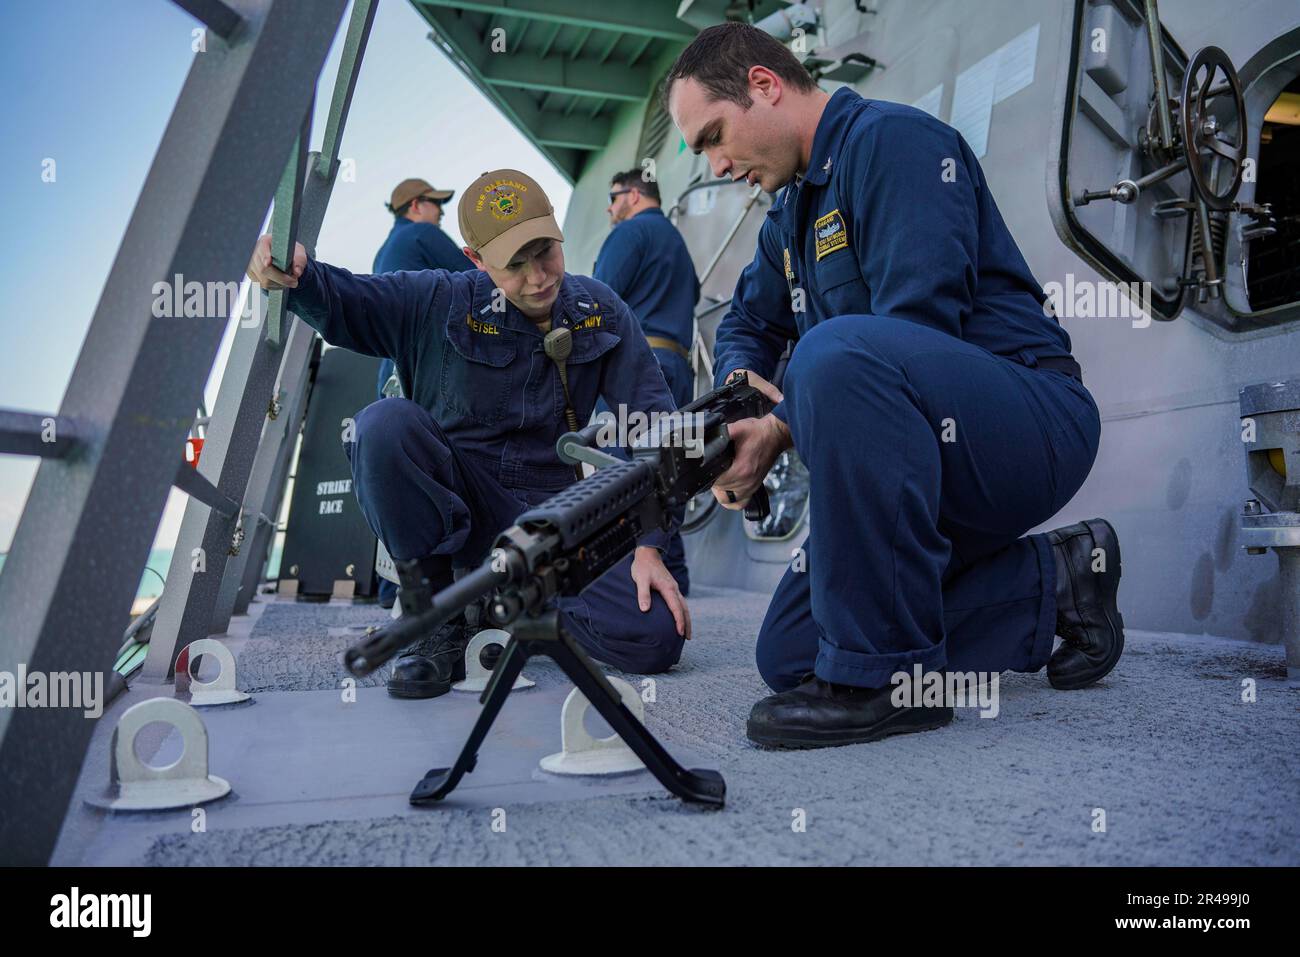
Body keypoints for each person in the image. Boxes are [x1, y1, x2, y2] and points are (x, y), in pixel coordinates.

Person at [665, 23, 1124, 748]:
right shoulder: (788, 213)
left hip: (1027, 424)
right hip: (912, 454)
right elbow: (749, 322)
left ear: (763, 85)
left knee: (830, 350)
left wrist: (778, 434)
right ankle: (1055, 583)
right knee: (791, 650)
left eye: (714, 136)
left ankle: (888, 681)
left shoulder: (896, 144)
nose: (717, 165)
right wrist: (738, 408)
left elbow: (914, 332)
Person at [248, 169, 691, 700]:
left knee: (655, 640)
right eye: (515, 264)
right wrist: (294, 271)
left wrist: (648, 546)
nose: (538, 278)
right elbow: (348, 301)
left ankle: (510, 598)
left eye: (545, 250)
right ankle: (433, 615)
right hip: (459, 517)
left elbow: (656, 428)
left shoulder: (600, 311)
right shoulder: (435, 299)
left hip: (553, 524)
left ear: (557, 228)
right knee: (382, 425)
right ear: (476, 259)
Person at [371, 178, 476, 608]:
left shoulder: (387, 248)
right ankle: (445, 594)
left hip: (391, 373)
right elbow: (482, 279)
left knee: (397, 481)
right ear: (416, 205)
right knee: (436, 475)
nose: (441, 213)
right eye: (436, 204)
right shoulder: (423, 234)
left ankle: (392, 590)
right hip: (423, 373)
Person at [594, 170, 700, 408]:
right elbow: (694, 293)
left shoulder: (629, 232)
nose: (609, 209)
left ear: (633, 195)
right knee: (671, 446)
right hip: (679, 372)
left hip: (634, 367)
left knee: (619, 445)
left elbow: (598, 302)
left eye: (613, 199)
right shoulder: (677, 242)